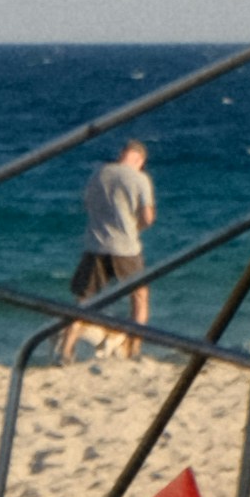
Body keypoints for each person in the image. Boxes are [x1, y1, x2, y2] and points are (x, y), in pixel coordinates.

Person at [54, 134, 155, 363]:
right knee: (139, 297)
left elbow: (87, 203)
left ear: (123, 155)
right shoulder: (140, 179)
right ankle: (135, 349)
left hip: (96, 244)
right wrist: (136, 226)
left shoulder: (99, 173)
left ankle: (66, 350)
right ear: (140, 160)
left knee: (83, 301)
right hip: (126, 247)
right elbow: (147, 217)